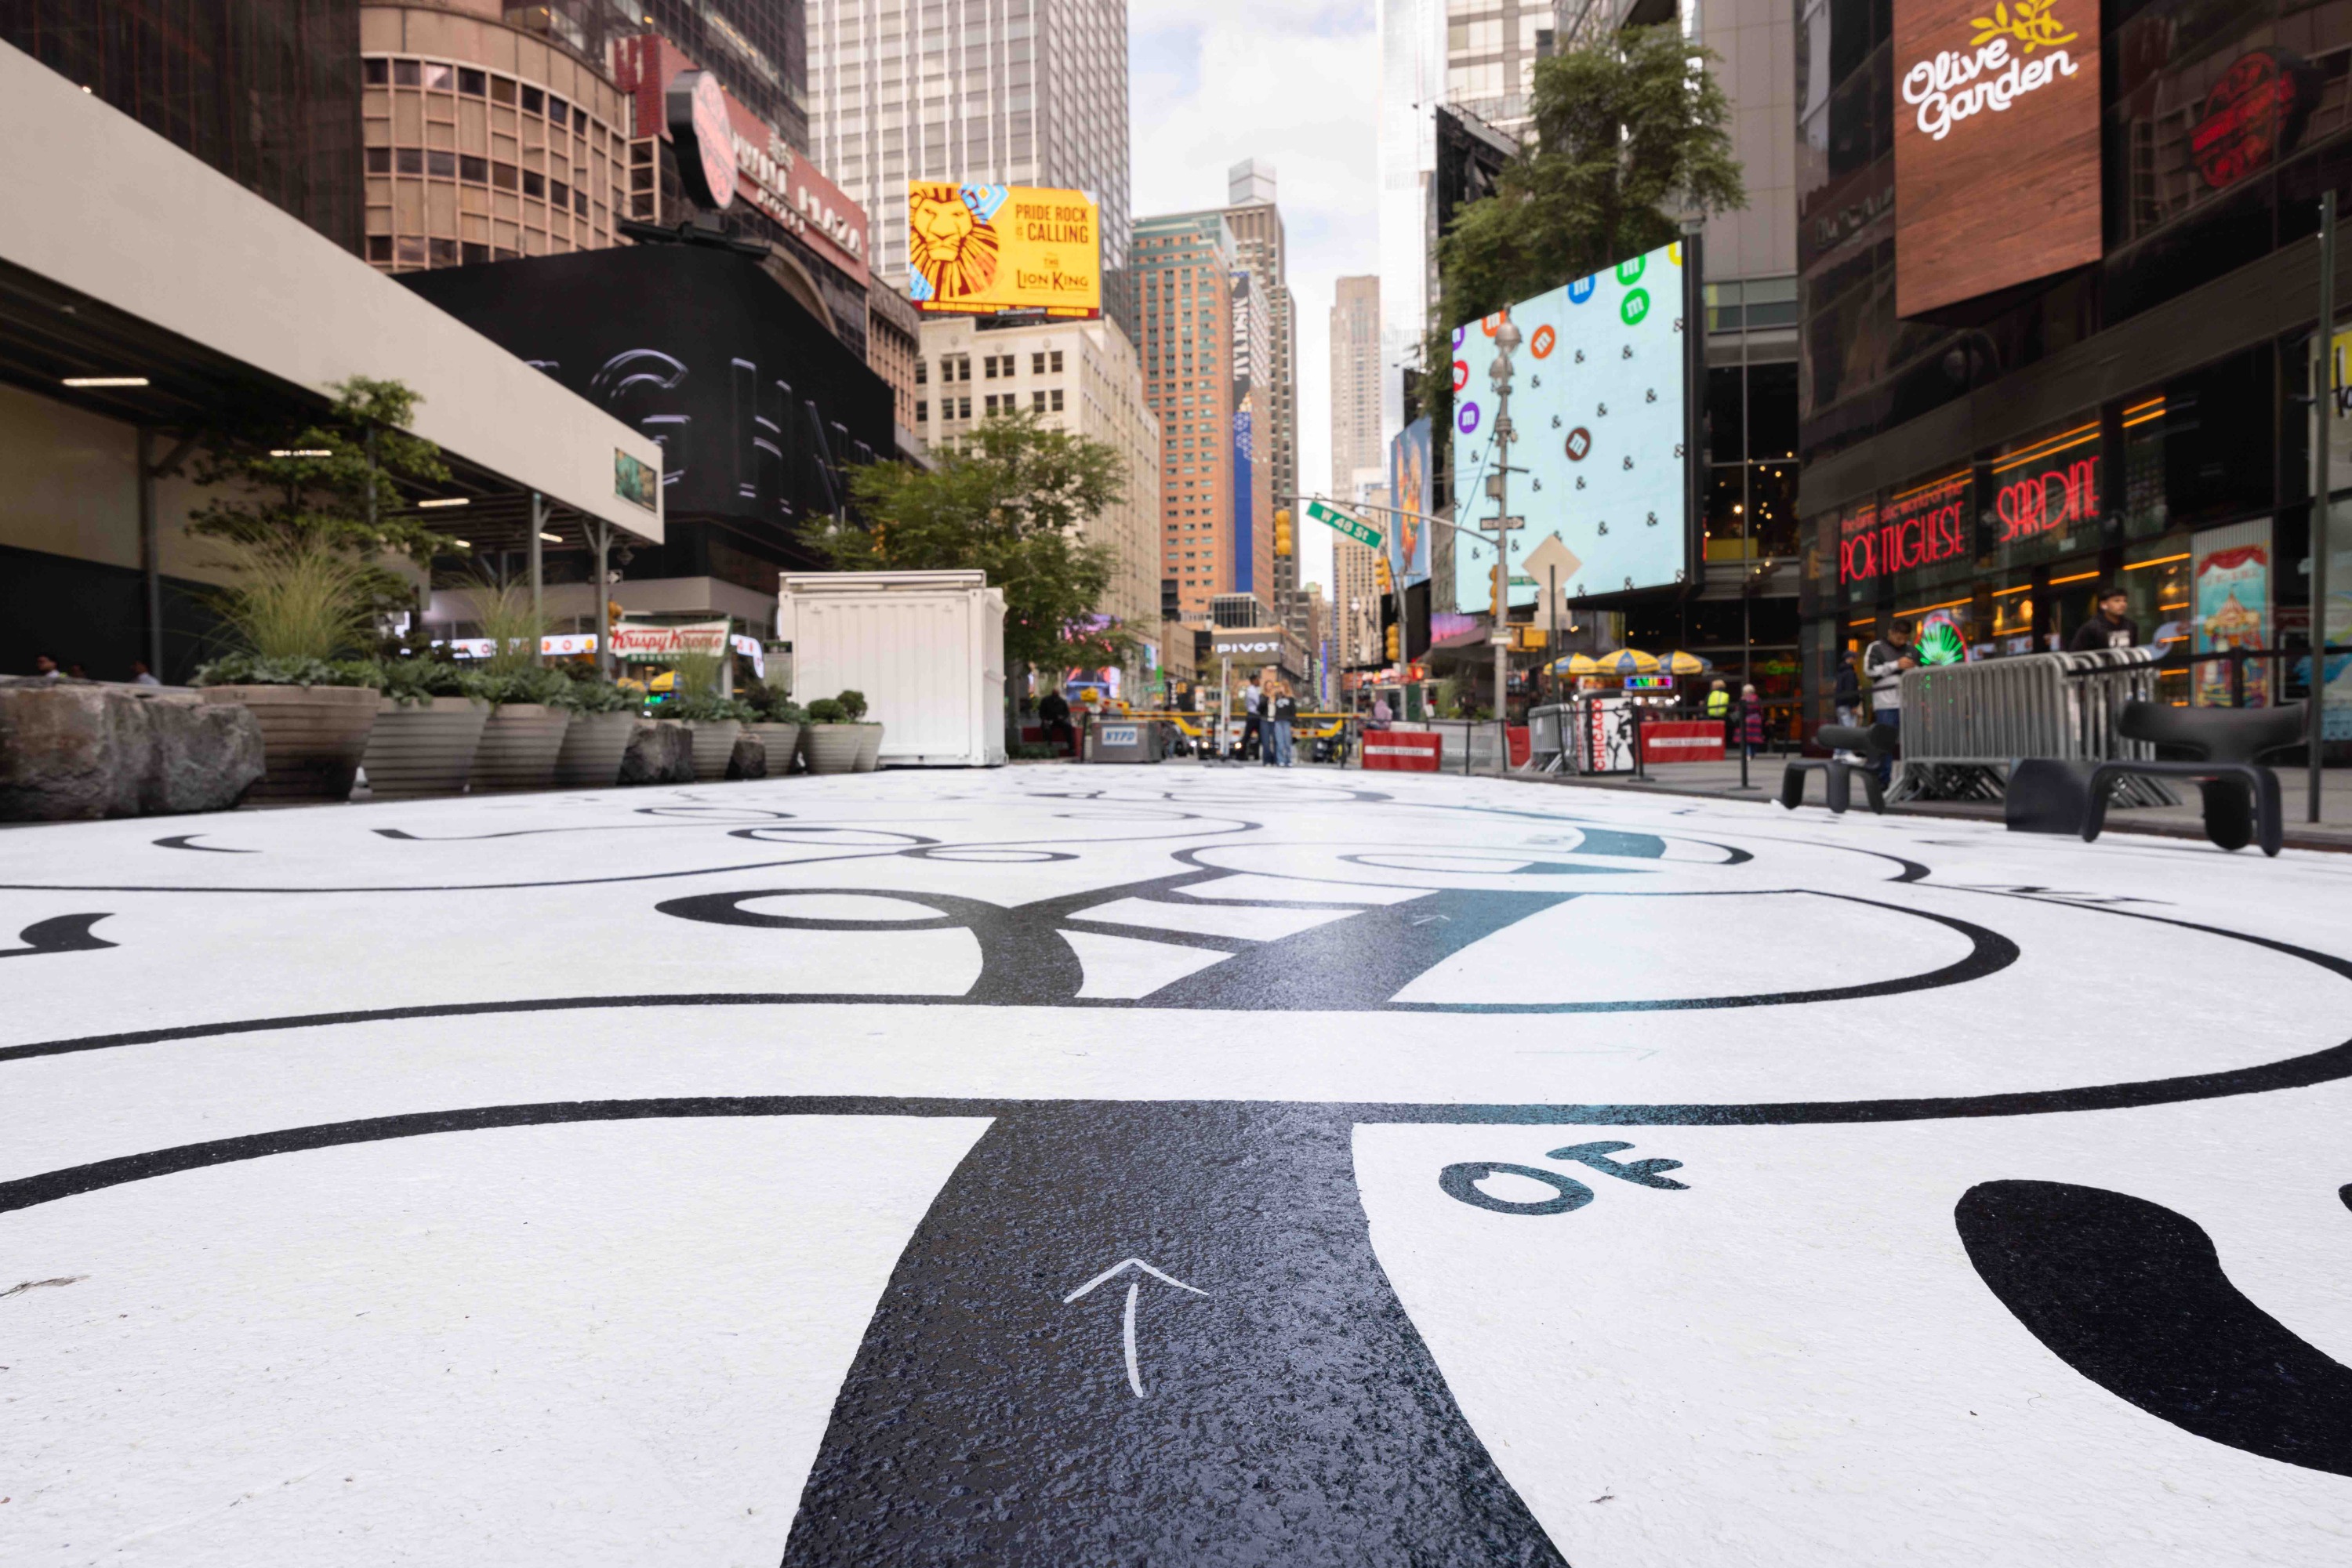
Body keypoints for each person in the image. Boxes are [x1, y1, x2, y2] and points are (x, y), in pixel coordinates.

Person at [1863, 619, 1915, 785]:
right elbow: (1869, 671)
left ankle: (1912, 783)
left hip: (1909, 703)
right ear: (1890, 633)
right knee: (1885, 744)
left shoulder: (1912, 650)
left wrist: (1914, 669)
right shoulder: (1876, 647)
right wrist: (1895, 665)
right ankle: (1883, 781)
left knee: (1912, 744)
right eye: (1899, 637)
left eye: (1904, 638)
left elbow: (1923, 673)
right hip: (1886, 704)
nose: (1902, 642)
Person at [2067, 587, 2139, 652]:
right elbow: (2077, 653)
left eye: (2125, 601)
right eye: (2117, 601)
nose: (2123, 604)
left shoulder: (2131, 626)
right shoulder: (2091, 628)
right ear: (2103, 605)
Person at [1037, 685, 1075, 759]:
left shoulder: (1062, 701)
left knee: (1068, 727)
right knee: (1046, 729)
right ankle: (1048, 748)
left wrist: (1062, 717)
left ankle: (1071, 748)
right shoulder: (1046, 700)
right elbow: (1041, 712)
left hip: (1059, 721)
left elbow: (1066, 713)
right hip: (1048, 720)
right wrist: (1044, 719)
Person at [1269, 681, 1298, 768]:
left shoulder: (1291, 699)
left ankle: (1288, 760)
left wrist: (1293, 725)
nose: (1280, 688)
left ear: (1286, 687)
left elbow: (1293, 712)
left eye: (1282, 686)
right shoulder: (1277, 698)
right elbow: (1271, 705)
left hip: (1287, 722)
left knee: (1287, 742)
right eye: (1280, 686)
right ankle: (1280, 760)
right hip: (1278, 721)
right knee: (1279, 742)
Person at [1735, 683, 1767, 760]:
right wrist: (1762, 719)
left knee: (1746, 739)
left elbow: (1738, 710)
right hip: (1756, 720)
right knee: (1755, 738)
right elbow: (1761, 710)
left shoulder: (1743, 699)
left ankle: (1748, 754)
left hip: (1746, 720)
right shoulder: (1757, 699)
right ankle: (1753, 754)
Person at [1831, 653, 1860, 728]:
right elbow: (1850, 689)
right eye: (1854, 658)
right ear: (1850, 658)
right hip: (1847, 706)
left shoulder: (1840, 672)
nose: (1856, 660)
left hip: (1840, 704)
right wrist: (1853, 705)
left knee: (1843, 731)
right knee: (1850, 731)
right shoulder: (1850, 673)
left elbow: (1835, 687)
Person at [1240, 677, 1264, 761]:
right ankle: (1241, 754)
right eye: (1258, 680)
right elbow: (1258, 702)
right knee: (1249, 736)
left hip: (1254, 715)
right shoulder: (1252, 690)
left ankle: (1251, 754)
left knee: (1250, 736)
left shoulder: (1254, 690)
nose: (1259, 682)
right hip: (1254, 715)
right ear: (1254, 681)